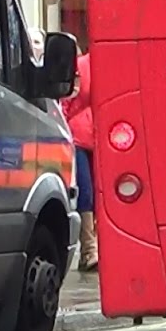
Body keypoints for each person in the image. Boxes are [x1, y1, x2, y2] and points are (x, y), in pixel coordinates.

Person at [63, 50, 98, 271]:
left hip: (103, 137)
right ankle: (89, 249)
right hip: (80, 138)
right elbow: (68, 101)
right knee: (86, 192)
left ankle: (94, 249)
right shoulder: (81, 65)